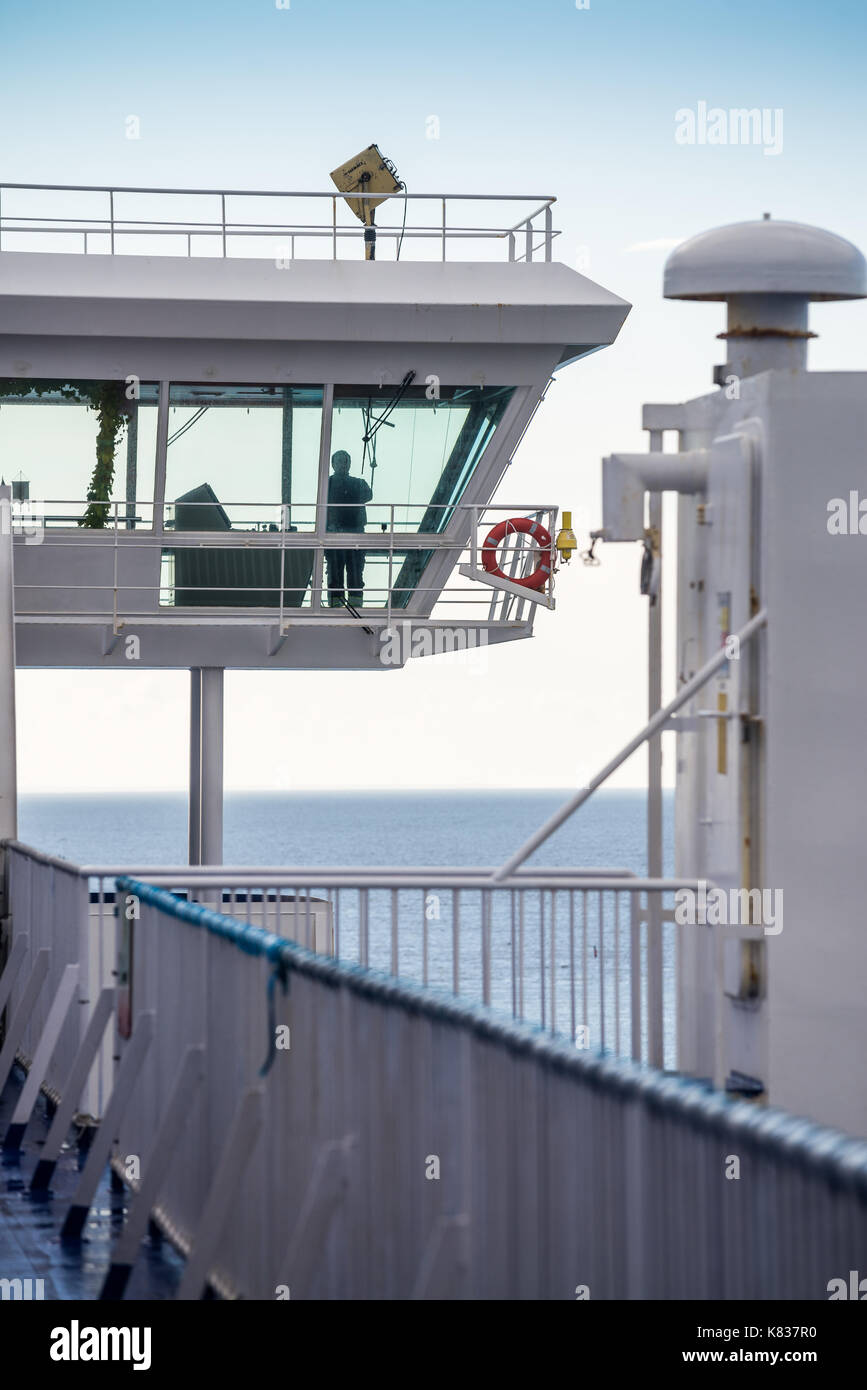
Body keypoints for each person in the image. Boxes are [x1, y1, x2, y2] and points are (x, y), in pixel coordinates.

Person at [325, 450, 372, 607]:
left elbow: (368, 495)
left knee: (354, 572)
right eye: (339, 461)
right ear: (333, 464)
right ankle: (338, 604)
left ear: (349, 464)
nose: (342, 464)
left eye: (344, 461)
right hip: (336, 534)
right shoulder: (329, 483)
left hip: (351, 535)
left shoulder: (329, 484)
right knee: (337, 572)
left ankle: (353, 604)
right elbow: (367, 495)